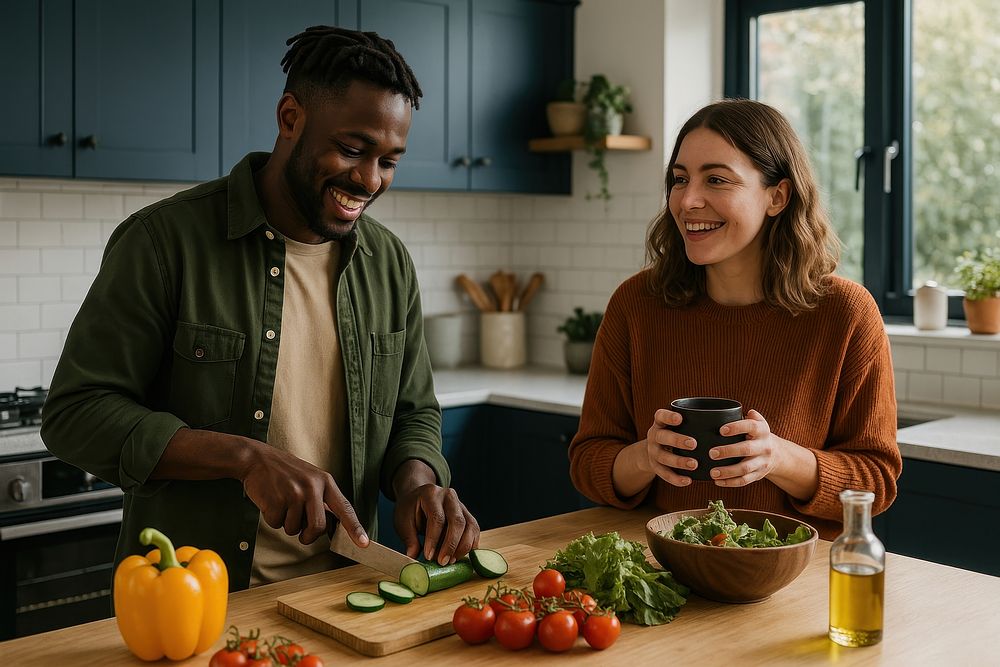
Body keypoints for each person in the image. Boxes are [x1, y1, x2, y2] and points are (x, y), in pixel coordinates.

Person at [41, 26, 479, 589]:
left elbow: (414, 412)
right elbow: (74, 414)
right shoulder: (163, 242)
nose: (369, 180)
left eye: (389, 161)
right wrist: (244, 458)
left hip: (342, 596)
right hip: (195, 600)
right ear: (290, 118)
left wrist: (419, 484)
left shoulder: (388, 263)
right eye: (351, 150)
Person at [569, 99, 901, 540]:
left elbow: (875, 483)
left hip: (793, 582)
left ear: (777, 196)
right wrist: (645, 458)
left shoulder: (846, 314)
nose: (688, 200)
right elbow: (588, 462)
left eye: (717, 179)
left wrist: (777, 458)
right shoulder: (636, 304)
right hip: (662, 572)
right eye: (680, 179)